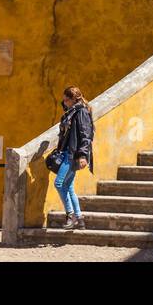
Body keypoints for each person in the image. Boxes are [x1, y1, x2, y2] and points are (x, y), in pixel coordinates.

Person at [53, 85, 95, 231]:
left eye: (66, 100)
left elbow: (86, 135)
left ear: (73, 99)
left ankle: (71, 215)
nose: (64, 102)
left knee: (59, 183)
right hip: (67, 153)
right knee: (68, 187)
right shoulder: (72, 111)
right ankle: (80, 218)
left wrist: (83, 155)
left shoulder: (81, 112)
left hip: (72, 155)